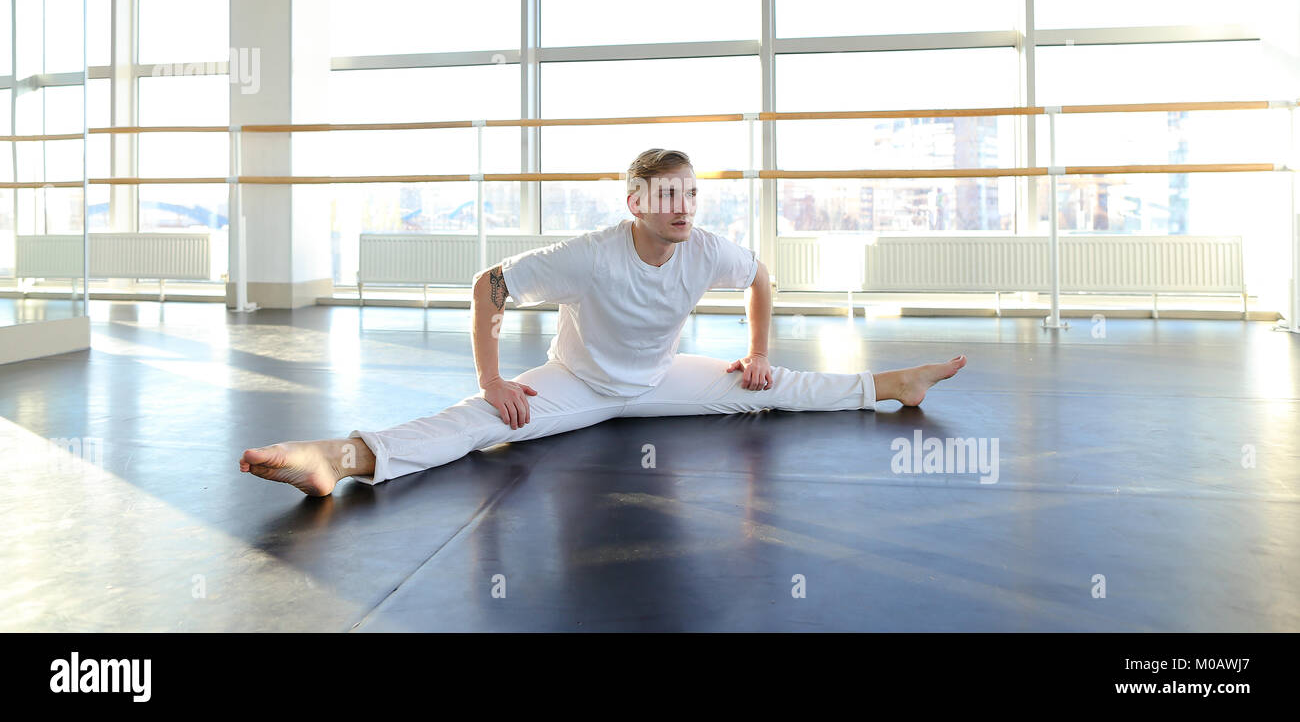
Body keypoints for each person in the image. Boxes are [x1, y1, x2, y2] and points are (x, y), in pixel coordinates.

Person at [240, 148, 967, 497]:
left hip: (658, 379)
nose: (683, 207)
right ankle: (335, 459)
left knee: (775, 385)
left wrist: (756, 350)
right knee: (478, 424)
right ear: (636, 204)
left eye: (690, 194)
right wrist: (493, 379)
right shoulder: (589, 256)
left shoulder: (707, 249)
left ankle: (895, 384)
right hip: (578, 383)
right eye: (667, 196)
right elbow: (489, 285)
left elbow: (761, 276)